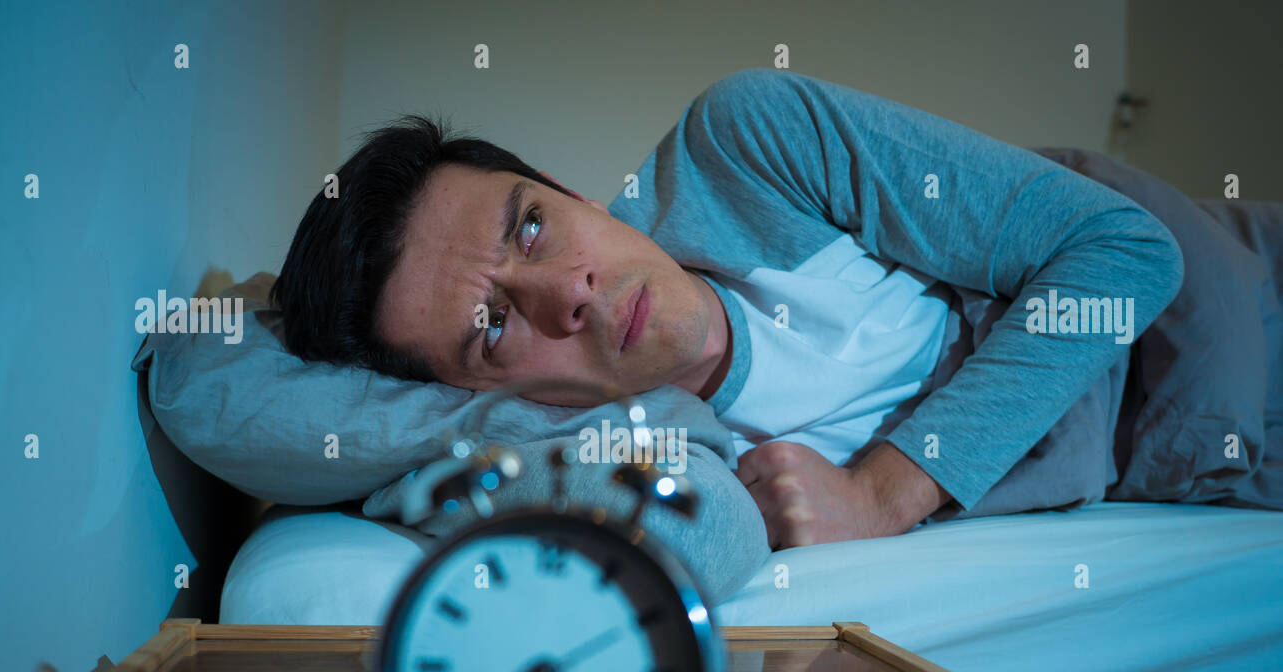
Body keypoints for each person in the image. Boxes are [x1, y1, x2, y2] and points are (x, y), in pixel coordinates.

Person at [272, 69, 1224, 551]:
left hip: (1230, 307)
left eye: (531, 229)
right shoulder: (641, 453)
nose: (568, 291)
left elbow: (1126, 256)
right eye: (492, 329)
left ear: (563, 188)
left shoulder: (747, 142)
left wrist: (882, 493)